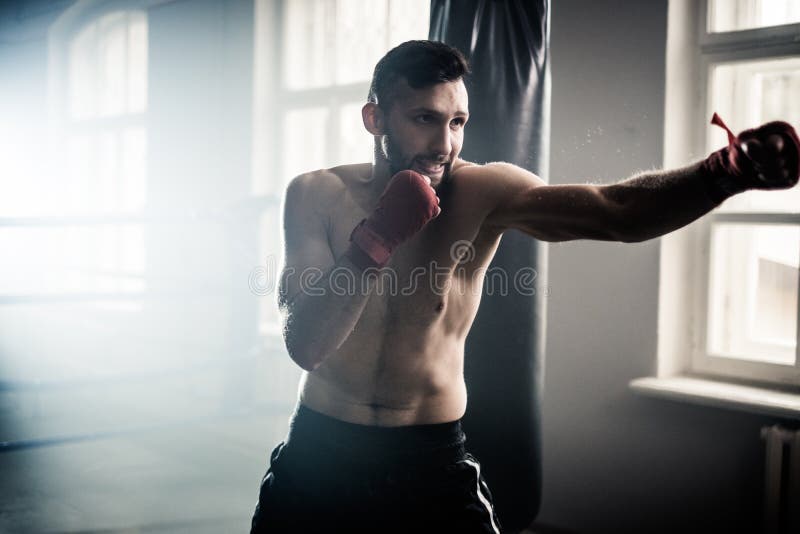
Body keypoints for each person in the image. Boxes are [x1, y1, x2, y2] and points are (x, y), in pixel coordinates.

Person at [250, 40, 799, 533]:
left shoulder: (482, 192)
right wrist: (375, 240)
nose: (445, 144)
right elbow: (306, 344)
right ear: (375, 118)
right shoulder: (316, 195)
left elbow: (617, 212)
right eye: (424, 118)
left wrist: (722, 172)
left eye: (458, 122)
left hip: (429, 460)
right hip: (321, 451)